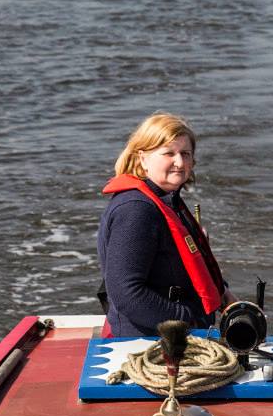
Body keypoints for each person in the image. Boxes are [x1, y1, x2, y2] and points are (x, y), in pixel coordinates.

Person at [97, 112, 230, 337]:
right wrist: (190, 320)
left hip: (179, 333)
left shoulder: (168, 201)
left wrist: (224, 294)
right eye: (169, 153)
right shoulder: (136, 210)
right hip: (148, 342)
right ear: (143, 158)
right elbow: (127, 294)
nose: (180, 162)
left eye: (185, 154)